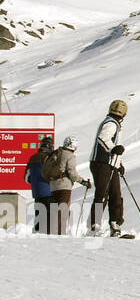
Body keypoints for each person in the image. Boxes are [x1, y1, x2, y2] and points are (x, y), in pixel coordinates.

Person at [90, 99, 129, 237]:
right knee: (104, 194)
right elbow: (103, 138)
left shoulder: (113, 123)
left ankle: (114, 223)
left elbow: (115, 146)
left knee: (115, 194)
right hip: (102, 163)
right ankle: (96, 225)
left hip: (109, 164)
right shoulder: (111, 124)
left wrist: (119, 164)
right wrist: (113, 150)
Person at [40, 136, 89, 236]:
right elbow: (72, 172)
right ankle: (59, 233)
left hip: (53, 186)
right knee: (62, 210)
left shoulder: (57, 153)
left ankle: (50, 232)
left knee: (54, 209)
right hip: (64, 186)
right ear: (73, 146)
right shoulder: (69, 155)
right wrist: (82, 181)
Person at [26, 136, 55, 233]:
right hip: (48, 191)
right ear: (50, 146)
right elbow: (53, 173)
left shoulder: (32, 158)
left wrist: (35, 182)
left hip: (36, 192)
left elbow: (27, 178)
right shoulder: (49, 157)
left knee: (39, 216)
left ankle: (37, 235)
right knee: (50, 216)